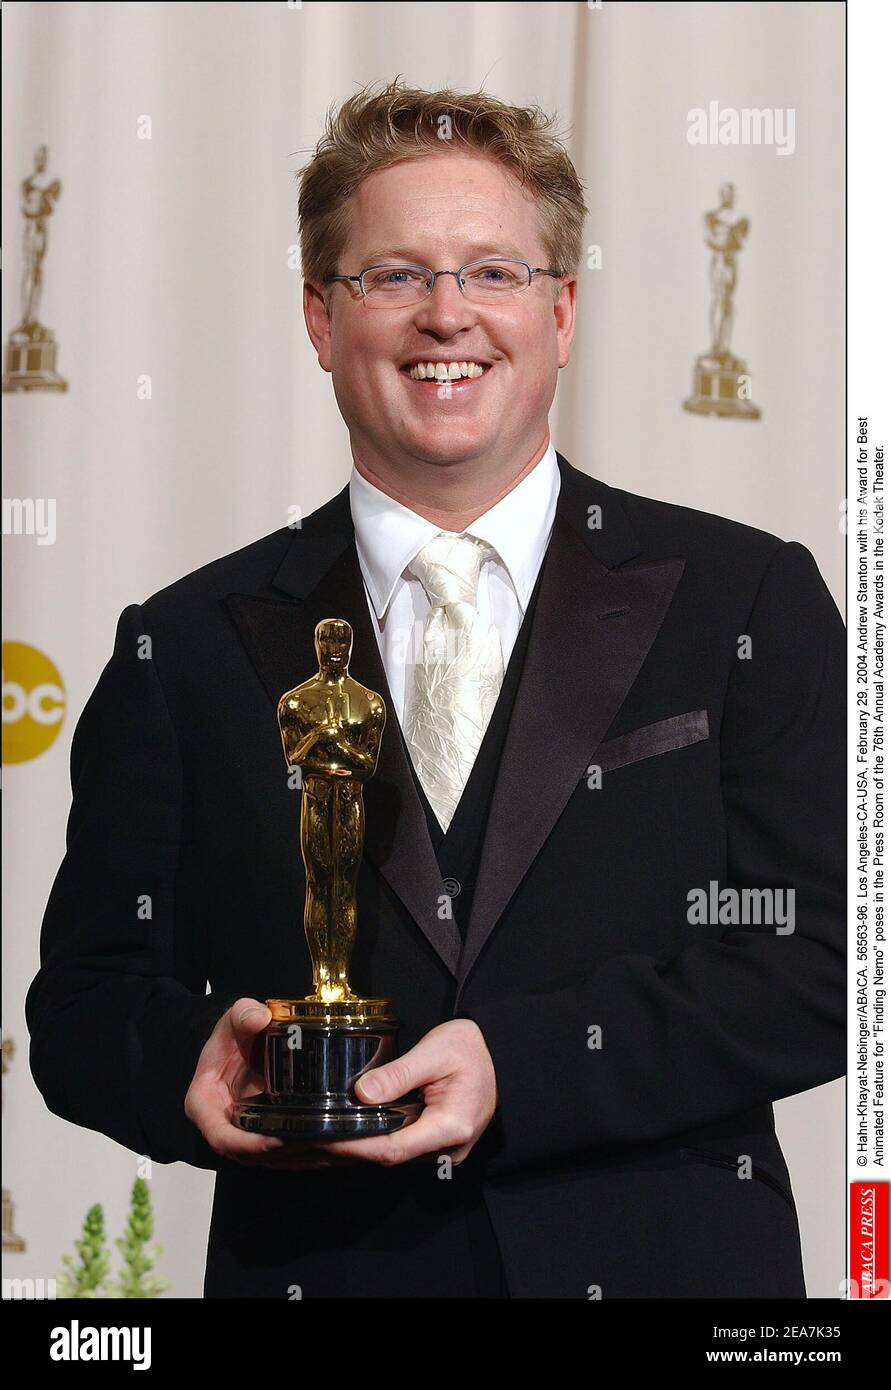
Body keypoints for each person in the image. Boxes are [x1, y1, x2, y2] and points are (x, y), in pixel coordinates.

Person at [26, 79, 844, 1299]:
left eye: (494, 274)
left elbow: (830, 956)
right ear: (319, 314)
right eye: (394, 276)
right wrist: (187, 1062)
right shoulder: (184, 645)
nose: (447, 314)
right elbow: (85, 1003)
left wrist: (527, 1062)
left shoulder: (748, 603)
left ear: (562, 311)